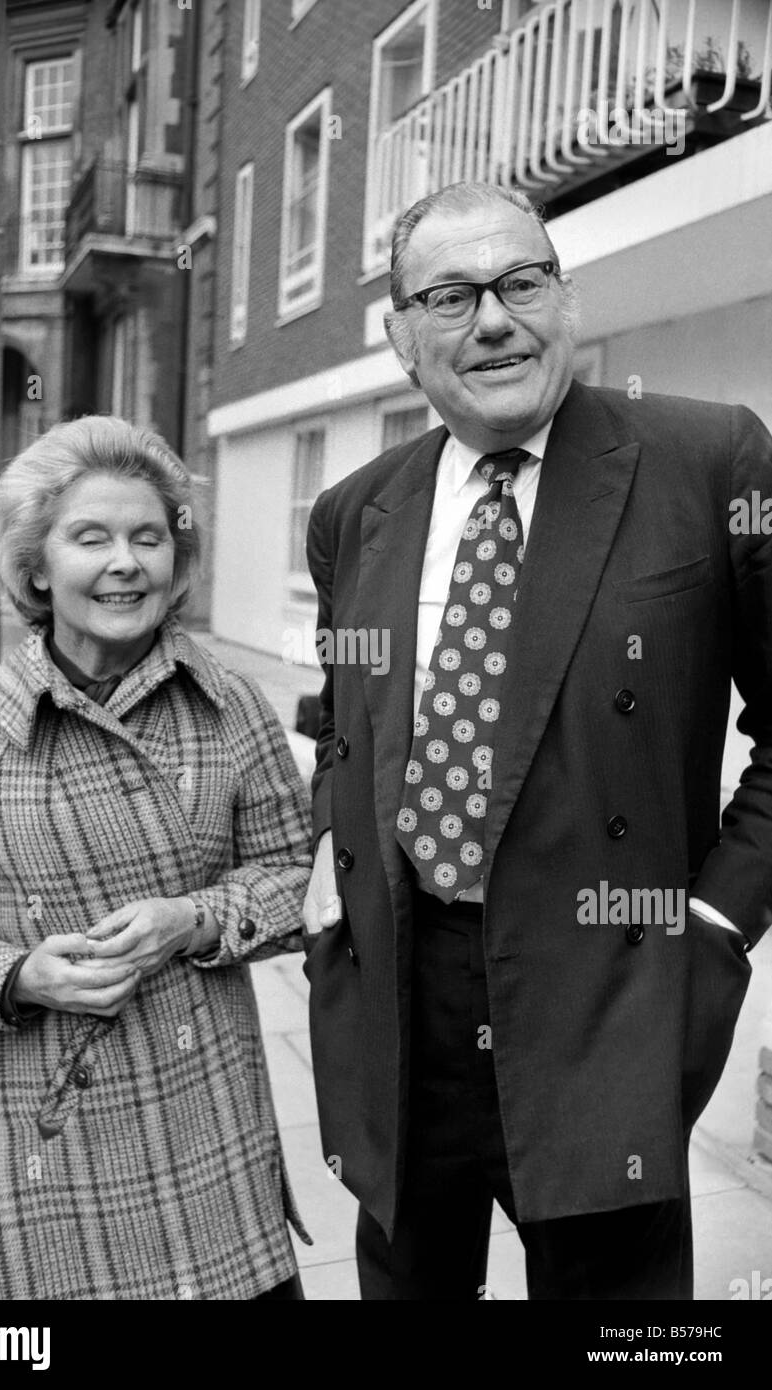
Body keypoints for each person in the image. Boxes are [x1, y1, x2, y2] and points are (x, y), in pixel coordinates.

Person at [302, 180, 772, 1301]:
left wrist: (713, 924)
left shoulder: (711, 461)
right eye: (453, 296)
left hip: (611, 987)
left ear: (566, 299)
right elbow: (346, 727)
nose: (495, 320)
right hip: (403, 1007)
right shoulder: (351, 512)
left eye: (521, 282)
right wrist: (332, 881)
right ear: (403, 337)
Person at [0, 415, 312, 1300]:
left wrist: (195, 920)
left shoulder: (230, 706)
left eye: (148, 537)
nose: (125, 562)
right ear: (37, 566)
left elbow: (296, 874)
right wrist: (18, 975)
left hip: (215, 1141)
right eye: (91, 537)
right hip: (51, 1152)